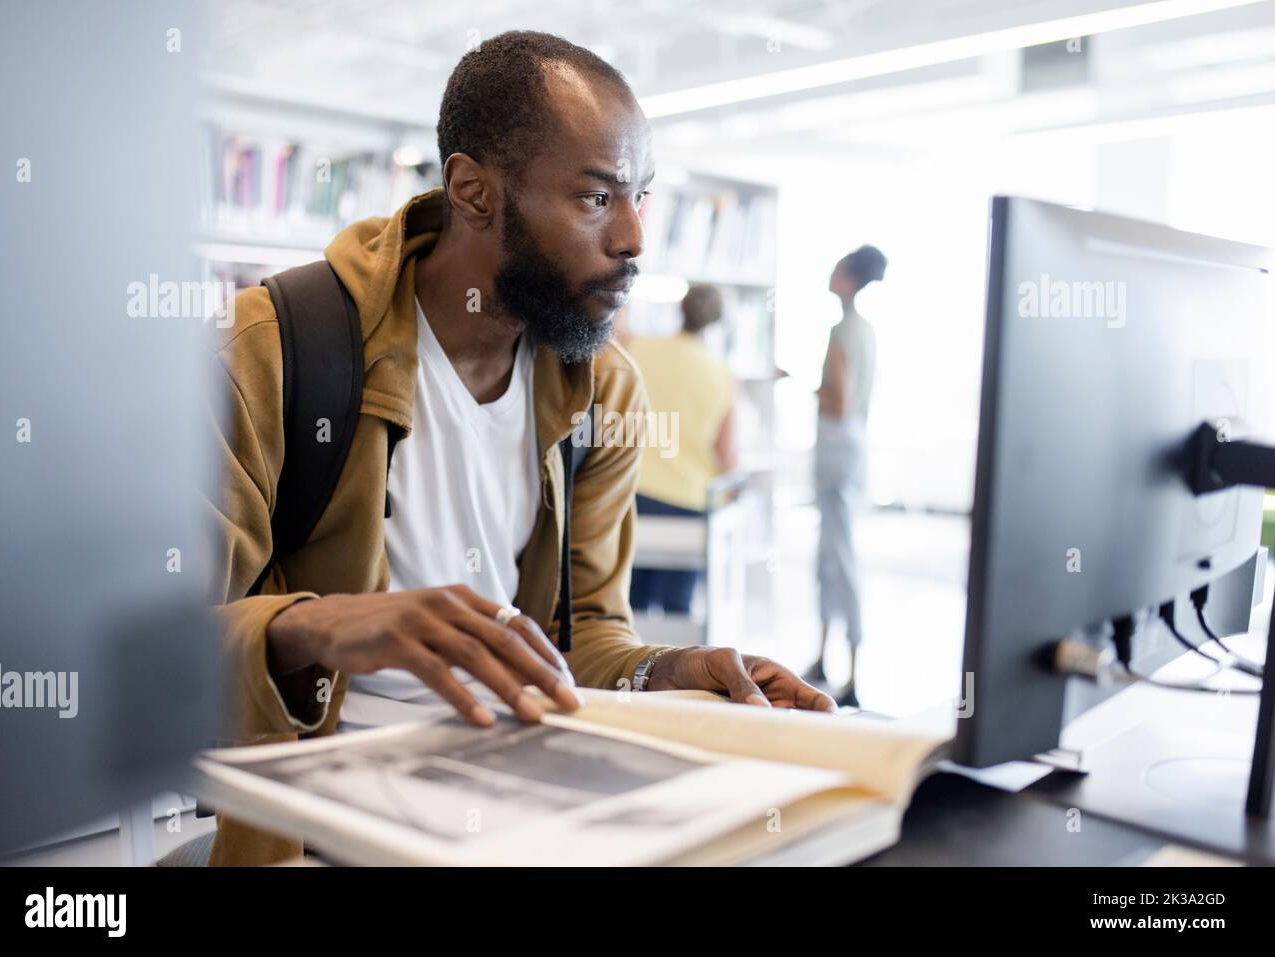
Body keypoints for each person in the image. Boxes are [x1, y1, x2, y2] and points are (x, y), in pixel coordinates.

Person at [206, 31, 836, 865]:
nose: (636, 238)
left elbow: (586, 641)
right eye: (595, 198)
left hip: (527, 807)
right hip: (322, 830)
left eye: (641, 196)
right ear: (472, 190)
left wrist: (673, 668)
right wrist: (325, 627)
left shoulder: (602, 389)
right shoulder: (273, 348)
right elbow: (156, 649)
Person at [806, 245, 886, 707]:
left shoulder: (842, 330)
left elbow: (838, 399)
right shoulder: (867, 331)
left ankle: (849, 669)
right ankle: (826, 657)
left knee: (837, 557)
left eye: (837, 268)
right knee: (833, 554)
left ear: (849, 278)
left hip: (837, 446)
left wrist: (804, 384)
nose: (830, 274)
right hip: (853, 446)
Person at [626, 285, 736, 616]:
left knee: (627, 603)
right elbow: (726, 453)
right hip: (688, 505)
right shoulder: (722, 376)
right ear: (717, 323)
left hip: (631, 493)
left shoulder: (636, 348)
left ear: (680, 310)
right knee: (677, 609)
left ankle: (625, 667)